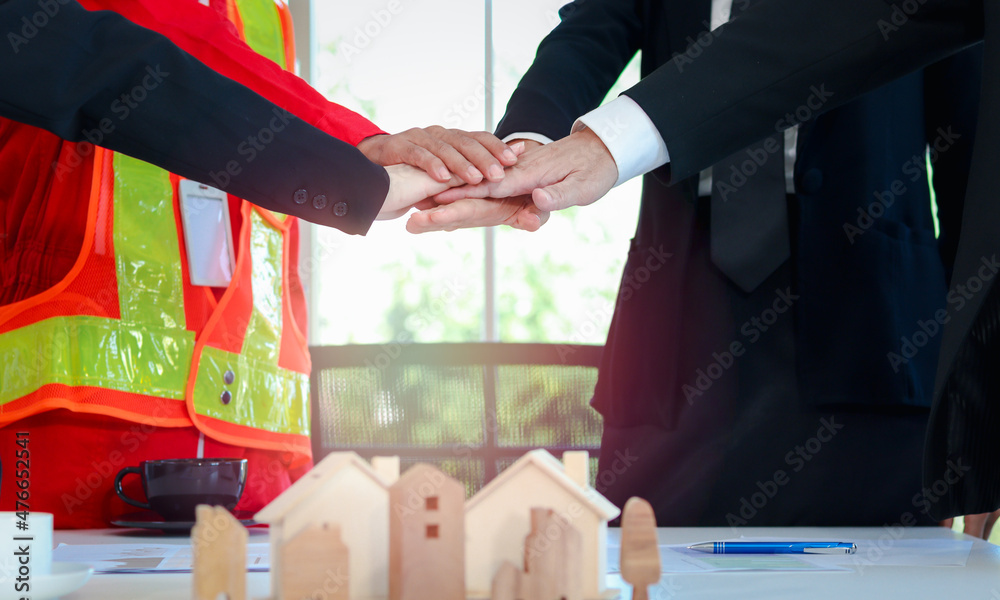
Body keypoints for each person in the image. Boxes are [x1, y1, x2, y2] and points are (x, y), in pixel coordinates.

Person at [416, 0, 1000, 536]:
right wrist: (522, 153)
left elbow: (975, 165)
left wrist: (980, 418)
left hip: (877, 332)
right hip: (675, 327)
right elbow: (586, 39)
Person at [0, 0, 516, 527]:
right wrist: (356, 149)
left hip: (258, 453)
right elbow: (156, 42)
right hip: (68, 436)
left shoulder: (266, 18)